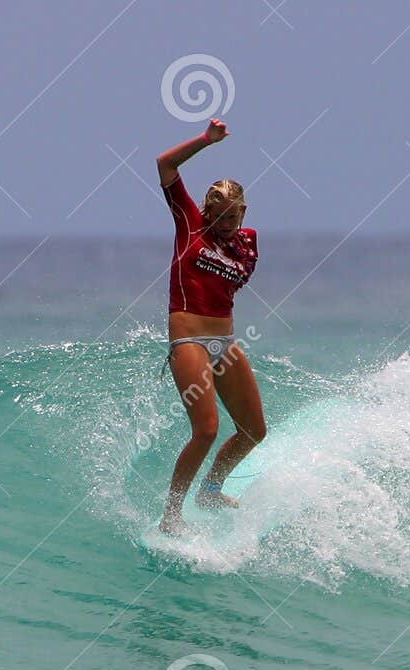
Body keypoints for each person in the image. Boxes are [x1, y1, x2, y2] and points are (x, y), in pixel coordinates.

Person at [156, 116, 266, 534]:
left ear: (242, 213)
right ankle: (172, 516)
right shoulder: (189, 223)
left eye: (231, 217)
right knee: (206, 430)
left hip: (224, 341)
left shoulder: (248, 240)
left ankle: (211, 489)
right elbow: (165, 166)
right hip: (189, 342)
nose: (223, 223)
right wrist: (206, 140)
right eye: (217, 215)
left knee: (254, 431)